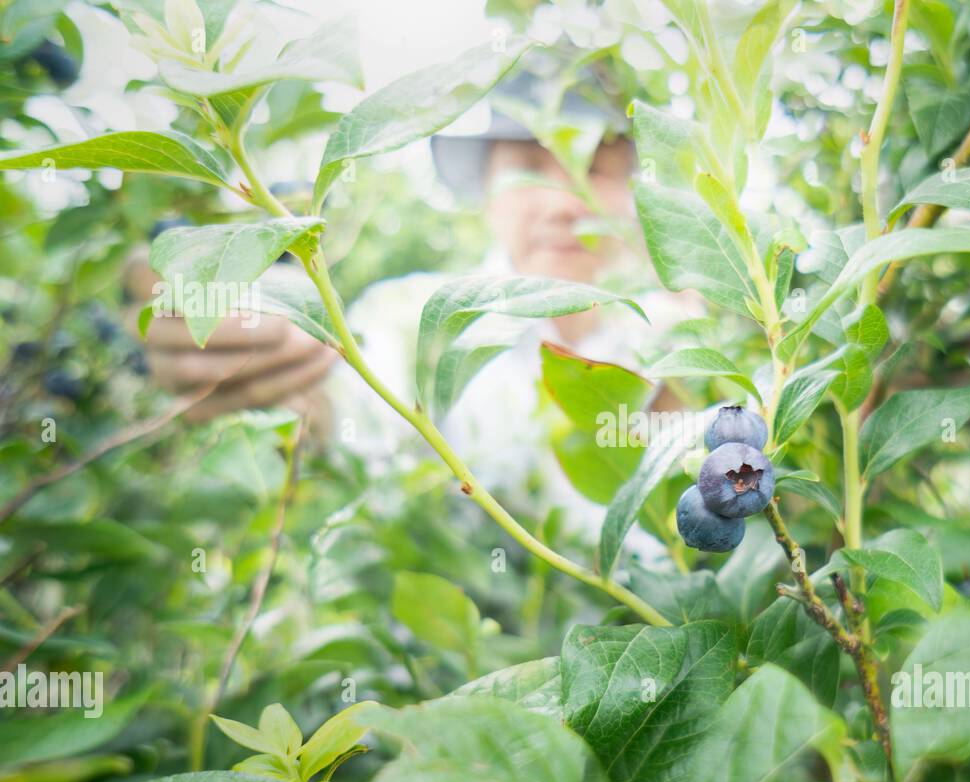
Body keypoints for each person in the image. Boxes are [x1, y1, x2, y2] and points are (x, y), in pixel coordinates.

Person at [124, 65, 693, 549]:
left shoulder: (697, 344)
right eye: (528, 168)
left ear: (639, 189)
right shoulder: (417, 319)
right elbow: (345, 401)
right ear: (487, 192)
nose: (560, 203)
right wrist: (269, 351)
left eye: (590, 166)